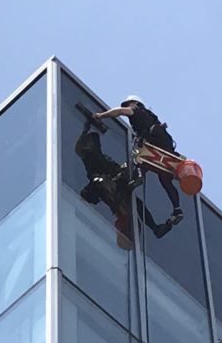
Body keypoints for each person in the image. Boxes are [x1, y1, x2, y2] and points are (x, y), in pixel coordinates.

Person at [93, 96, 184, 227]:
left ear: (135, 103)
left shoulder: (134, 110)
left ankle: (139, 176)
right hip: (165, 145)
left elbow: (119, 111)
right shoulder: (151, 117)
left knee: (138, 155)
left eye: (128, 104)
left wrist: (101, 116)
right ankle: (177, 209)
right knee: (165, 180)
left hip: (153, 143)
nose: (127, 106)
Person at [74, 119, 172, 241]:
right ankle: (143, 164)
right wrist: (85, 129)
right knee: (135, 201)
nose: (97, 147)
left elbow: (114, 170)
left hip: (119, 186)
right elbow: (101, 182)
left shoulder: (100, 160)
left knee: (136, 201)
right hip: (116, 189)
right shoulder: (91, 163)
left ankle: (144, 162)